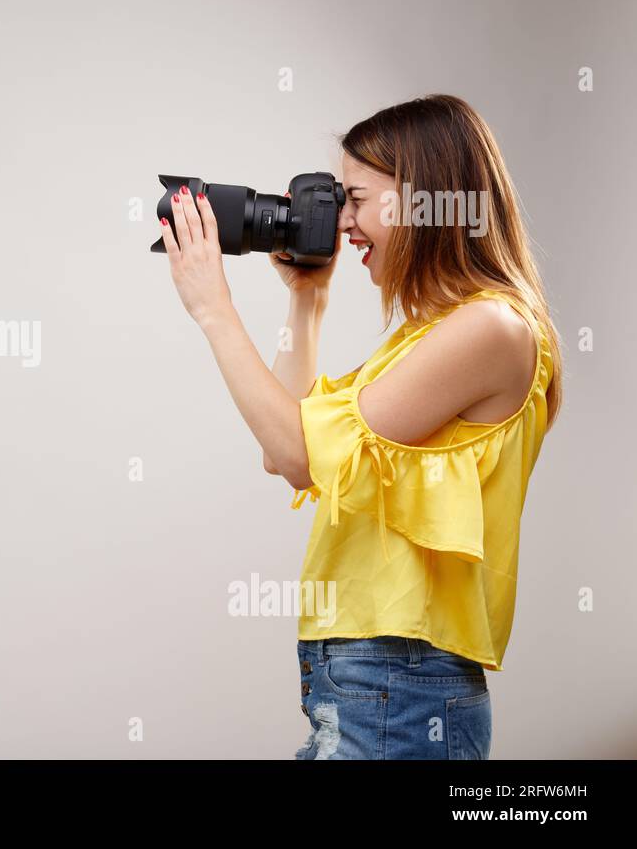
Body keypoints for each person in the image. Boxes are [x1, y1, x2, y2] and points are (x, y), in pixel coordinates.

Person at [159, 94, 561, 759]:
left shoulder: (491, 328)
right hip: (362, 681)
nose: (342, 222)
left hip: (400, 686)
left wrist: (213, 310)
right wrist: (306, 300)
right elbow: (281, 446)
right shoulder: (425, 336)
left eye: (356, 199)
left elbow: (298, 456)